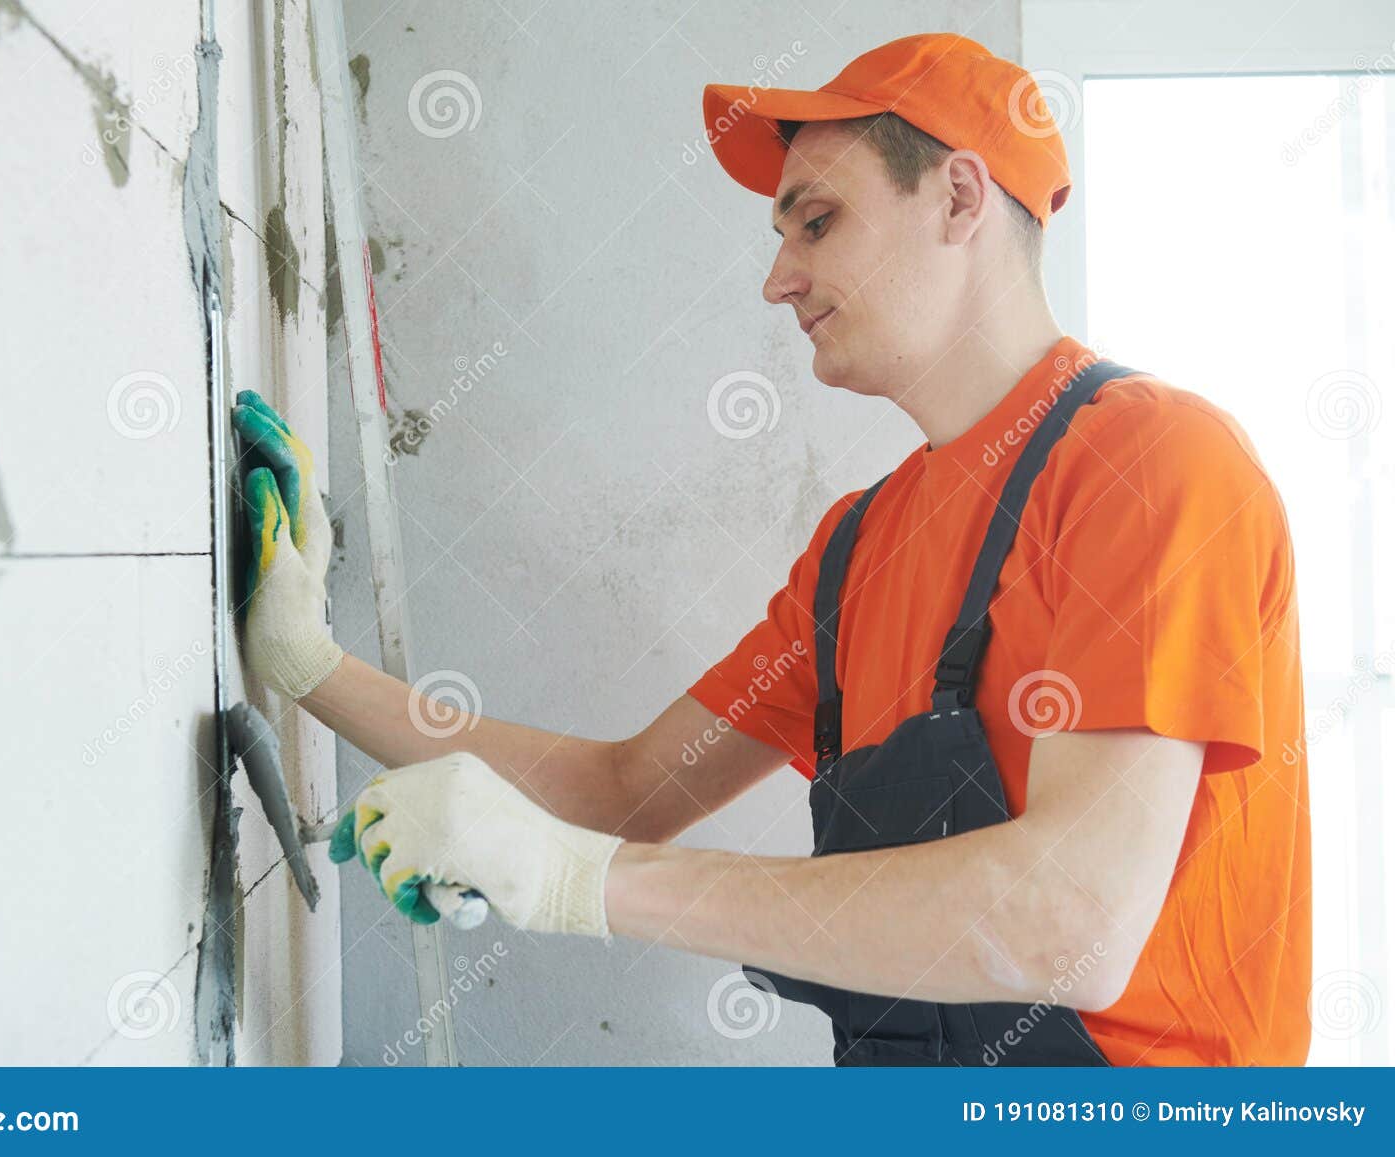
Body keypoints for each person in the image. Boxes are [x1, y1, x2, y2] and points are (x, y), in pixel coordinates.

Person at [232, 32, 1310, 1067]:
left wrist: (580, 881)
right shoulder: (857, 547)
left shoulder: (1152, 463)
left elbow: (1068, 920)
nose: (778, 278)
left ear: (962, 197)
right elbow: (621, 792)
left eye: (818, 222)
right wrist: (308, 664)